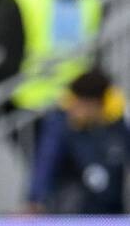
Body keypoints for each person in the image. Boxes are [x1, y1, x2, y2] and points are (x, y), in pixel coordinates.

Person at [27, 68, 130, 213]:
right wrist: (34, 200)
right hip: (71, 218)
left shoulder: (118, 129)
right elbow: (45, 164)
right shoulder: (60, 127)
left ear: (95, 105)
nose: (73, 108)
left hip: (110, 218)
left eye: (79, 104)